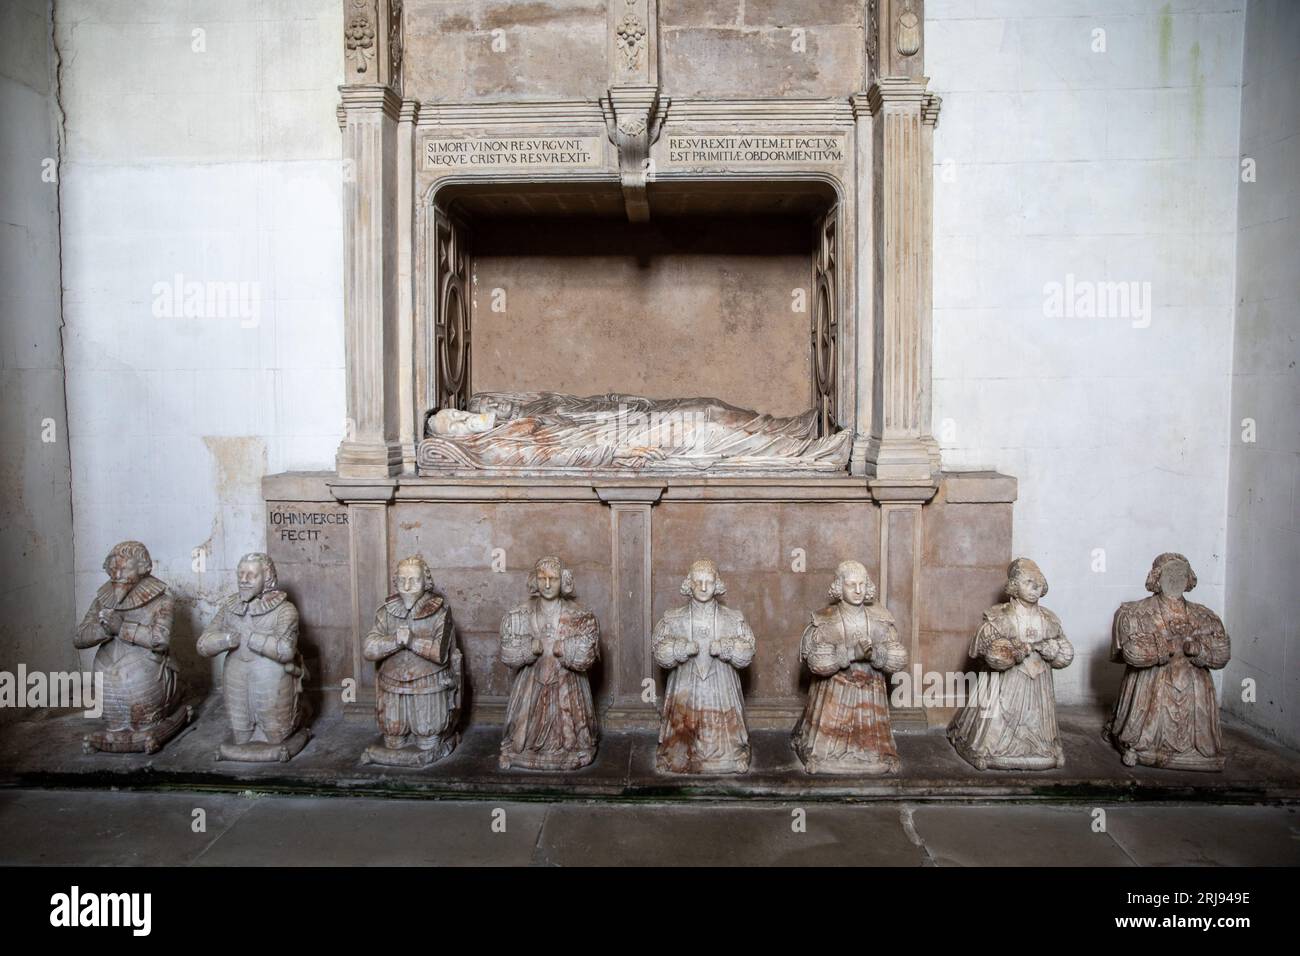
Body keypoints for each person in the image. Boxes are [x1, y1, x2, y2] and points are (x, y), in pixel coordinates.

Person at [1104, 552, 1230, 771]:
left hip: (1195, 690)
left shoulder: (1204, 616)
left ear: (1190, 578)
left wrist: (1199, 649)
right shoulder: (1135, 613)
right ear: (1156, 577)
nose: (1175, 578)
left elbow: (1221, 655)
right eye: (1169, 572)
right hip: (1151, 685)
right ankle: (1139, 743)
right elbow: (1132, 653)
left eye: (1182, 573)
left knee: (1202, 742)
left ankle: (1198, 749)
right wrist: (1166, 648)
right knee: (1142, 733)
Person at [948, 558, 1074, 770]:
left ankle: (1041, 747)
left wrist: (1054, 650)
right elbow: (990, 653)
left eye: (1039, 583)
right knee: (995, 721)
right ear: (1014, 587)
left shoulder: (1049, 619)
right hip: (1004, 684)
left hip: (1037, 687)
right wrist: (1011, 650)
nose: (1035, 588)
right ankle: (988, 747)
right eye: (1028, 582)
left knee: (1036, 722)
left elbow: (1065, 653)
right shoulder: (999, 617)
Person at [792, 561, 907, 774]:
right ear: (839, 587)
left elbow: (899, 657)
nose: (857, 590)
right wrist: (851, 654)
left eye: (862, 584)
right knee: (827, 748)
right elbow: (816, 661)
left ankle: (873, 753)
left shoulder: (880, 620)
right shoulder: (825, 620)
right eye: (851, 584)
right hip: (834, 693)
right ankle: (825, 753)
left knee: (871, 748)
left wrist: (877, 655)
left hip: (870, 695)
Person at [74, 541, 188, 753]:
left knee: (140, 709)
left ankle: (152, 724)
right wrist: (104, 630)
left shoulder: (162, 599)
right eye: (113, 568)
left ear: (143, 567)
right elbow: (79, 638)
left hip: (145, 671)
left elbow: (160, 639)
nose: (117, 574)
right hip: (108, 672)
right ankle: (117, 728)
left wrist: (123, 627)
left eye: (125, 567)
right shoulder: (102, 600)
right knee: (115, 717)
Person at [198, 552, 309, 762]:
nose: (243, 579)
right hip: (236, 675)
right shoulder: (230, 608)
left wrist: (254, 639)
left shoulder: (285, 610)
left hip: (270, 678)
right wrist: (228, 639)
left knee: (276, 736)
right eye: (241, 573)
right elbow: (203, 645)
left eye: (251, 574)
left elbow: (286, 650)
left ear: (266, 578)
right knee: (241, 736)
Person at [653, 559, 755, 774]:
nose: (703, 587)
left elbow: (747, 653)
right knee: (682, 732)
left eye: (708, 581)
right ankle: (676, 754)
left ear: (717, 584)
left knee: (725, 730)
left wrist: (726, 648)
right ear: (689, 584)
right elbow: (660, 653)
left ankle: (733, 754)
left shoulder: (733, 618)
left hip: (722, 685)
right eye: (698, 581)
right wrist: (680, 649)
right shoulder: (673, 619)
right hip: (685, 684)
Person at [499, 556, 600, 770]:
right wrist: (529, 649)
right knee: (523, 732)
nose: (547, 584)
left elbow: (587, 656)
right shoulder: (519, 615)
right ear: (534, 580)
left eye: (553, 579)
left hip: (568, 682)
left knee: (569, 732)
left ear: (563, 581)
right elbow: (507, 654)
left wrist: (564, 648)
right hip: (530, 683)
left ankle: (572, 748)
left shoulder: (580, 616)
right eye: (542, 578)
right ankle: (523, 750)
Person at [362, 555, 462, 766]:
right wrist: (395, 641)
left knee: (427, 736)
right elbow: (369, 649)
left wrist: (412, 641)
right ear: (395, 581)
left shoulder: (440, 613)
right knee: (393, 737)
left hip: (428, 684)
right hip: (391, 684)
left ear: (426, 583)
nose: (407, 586)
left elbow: (441, 653)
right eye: (402, 580)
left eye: (414, 580)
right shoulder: (385, 612)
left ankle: (430, 746)